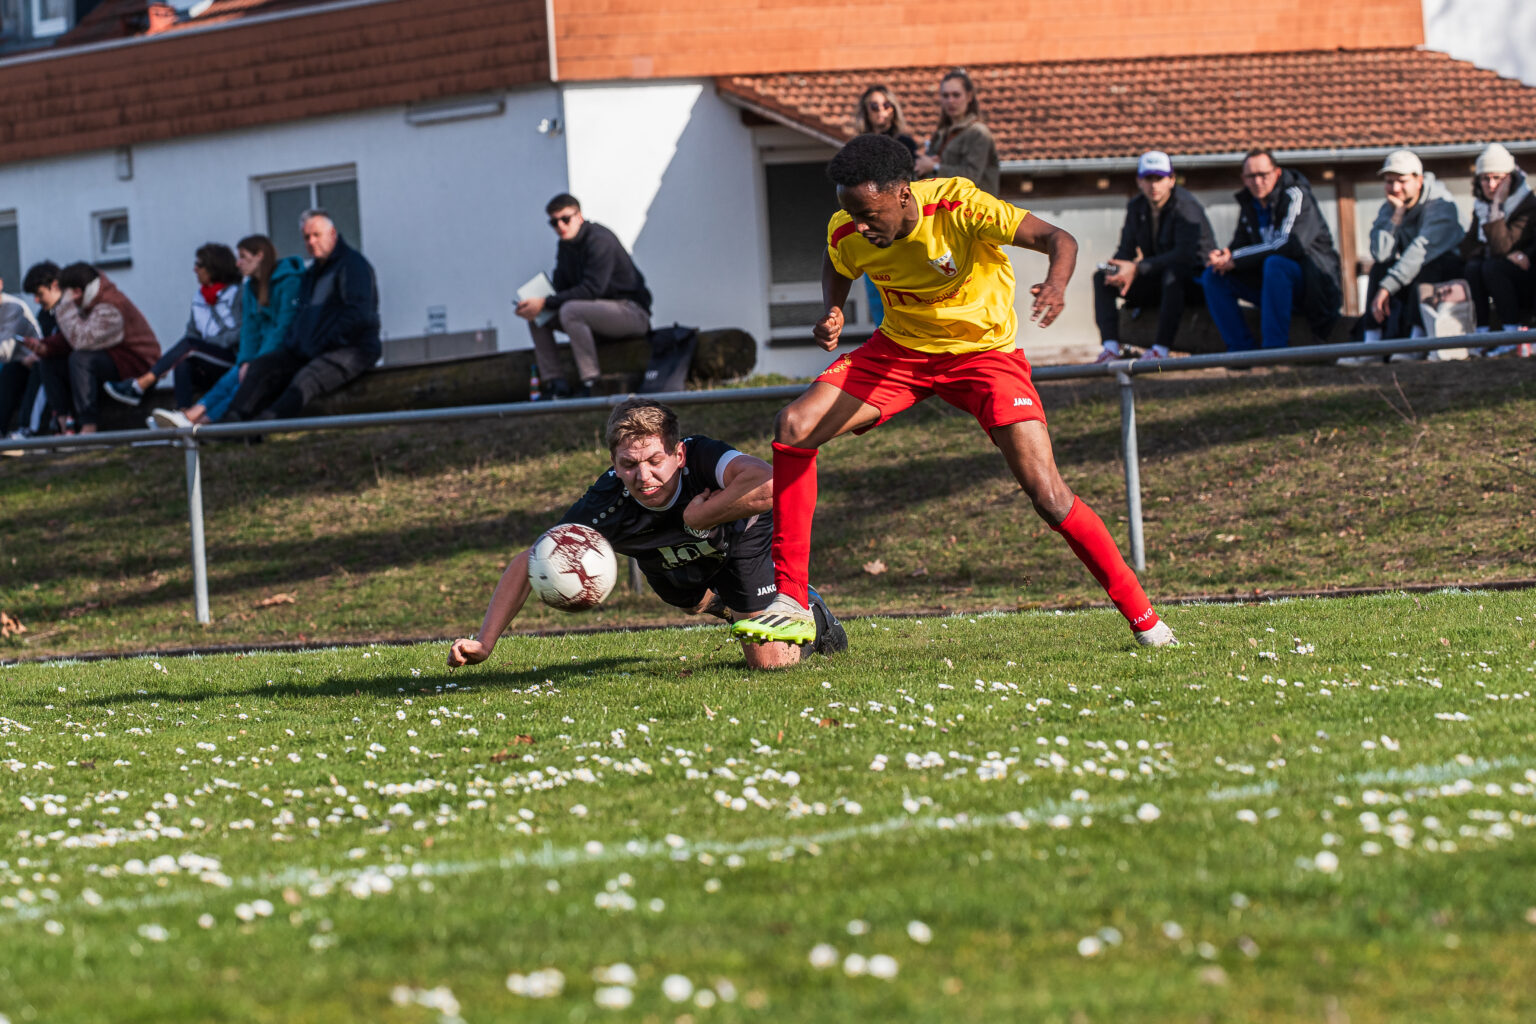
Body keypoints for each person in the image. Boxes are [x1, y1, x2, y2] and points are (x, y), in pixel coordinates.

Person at [730, 134, 1177, 651]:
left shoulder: (959, 205)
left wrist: (1055, 285)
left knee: (1048, 495)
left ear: (903, 193)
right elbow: (838, 259)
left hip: (985, 357)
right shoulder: (847, 227)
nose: (860, 226)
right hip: (900, 352)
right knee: (794, 426)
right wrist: (832, 307)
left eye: (869, 214)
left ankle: (1145, 619)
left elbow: (1060, 239)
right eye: (851, 214)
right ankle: (792, 600)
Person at [448, 398, 847, 673]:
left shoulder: (703, 457)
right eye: (629, 464)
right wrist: (485, 642)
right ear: (613, 462)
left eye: (656, 460)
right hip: (672, 566)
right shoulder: (605, 502)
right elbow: (531, 560)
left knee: (771, 663)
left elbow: (772, 483)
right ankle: (734, 608)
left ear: (678, 454)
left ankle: (810, 608)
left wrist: (700, 516)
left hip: (741, 543)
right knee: (689, 600)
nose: (643, 476)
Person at [220, 210, 380, 421]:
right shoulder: (311, 274)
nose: (311, 242)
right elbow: (300, 313)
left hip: (352, 348)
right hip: (310, 348)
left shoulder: (353, 265)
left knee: (306, 379)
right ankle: (231, 423)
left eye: (317, 235)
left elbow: (357, 315)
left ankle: (266, 424)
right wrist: (296, 342)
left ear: (332, 234)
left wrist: (322, 342)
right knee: (263, 367)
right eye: (306, 237)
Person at [147, 236, 305, 429]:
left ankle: (197, 423)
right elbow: (250, 330)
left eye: (243, 257)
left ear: (259, 256)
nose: (238, 263)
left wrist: (256, 361)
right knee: (230, 378)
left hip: (280, 356)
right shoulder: (250, 288)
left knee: (241, 384)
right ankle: (189, 417)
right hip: (258, 356)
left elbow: (283, 327)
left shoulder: (289, 282)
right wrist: (245, 360)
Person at [1200, 148, 1343, 352]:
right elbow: (1240, 246)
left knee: (1276, 265)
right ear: (1243, 179)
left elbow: (1288, 244)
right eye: (1251, 176)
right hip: (1269, 288)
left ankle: (1274, 352)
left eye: (1263, 175)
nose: (1257, 182)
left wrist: (1235, 258)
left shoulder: (1296, 196)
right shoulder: (1250, 203)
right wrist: (1224, 256)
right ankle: (1240, 351)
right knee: (1213, 276)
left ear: (1276, 173)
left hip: (1312, 288)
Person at [517, 194, 652, 400]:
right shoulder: (565, 247)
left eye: (565, 219)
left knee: (570, 310)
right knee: (537, 315)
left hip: (632, 313)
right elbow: (560, 290)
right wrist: (533, 305)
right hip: (595, 318)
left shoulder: (599, 240)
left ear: (579, 216)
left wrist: (545, 301)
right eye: (554, 222)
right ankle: (556, 384)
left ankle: (591, 382)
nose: (560, 226)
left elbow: (592, 290)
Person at [1340, 149, 1465, 365]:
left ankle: (1417, 343)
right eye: (1389, 182)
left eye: (1402, 181)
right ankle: (1371, 343)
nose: (1395, 188)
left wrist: (1386, 288)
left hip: (1445, 277)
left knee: (1429, 264)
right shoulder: (1391, 207)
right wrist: (1395, 217)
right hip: (1412, 275)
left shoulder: (1440, 204)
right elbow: (1380, 254)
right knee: (1380, 268)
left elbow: (1419, 252)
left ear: (1419, 180)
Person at [1094, 151, 1216, 362]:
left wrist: (1137, 268)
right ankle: (1111, 348)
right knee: (1102, 278)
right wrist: (1118, 269)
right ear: (1139, 181)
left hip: (1194, 283)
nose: (1153, 185)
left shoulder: (1186, 206)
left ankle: (1160, 349)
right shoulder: (1136, 207)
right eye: (1148, 178)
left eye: (1159, 178)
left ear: (1171, 180)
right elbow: (1125, 251)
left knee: (1173, 274)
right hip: (1158, 281)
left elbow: (1184, 257)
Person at [105, 242, 242, 410]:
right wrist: (166, 364)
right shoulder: (200, 298)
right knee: (182, 362)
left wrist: (209, 342)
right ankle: (182, 416)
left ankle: (141, 384)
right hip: (207, 359)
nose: (195, 270)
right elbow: (192, 334)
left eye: (199, 265)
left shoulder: (238, 294)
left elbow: (241, 332)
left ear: (214, 268)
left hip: (233, 358)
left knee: (190, 346)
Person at [30, 262, 159, 434]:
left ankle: (88, 426)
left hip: (137, 369)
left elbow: (81, 341)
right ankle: (61, 423)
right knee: (49, 361)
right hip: (113, 360)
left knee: (80, 359)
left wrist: (65, 305)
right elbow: (73, 338)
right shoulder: (88, 300)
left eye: (66, 294)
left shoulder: (110, 306)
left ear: (77, 292)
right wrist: (45, 347)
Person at [1460, 142, 1536, 356]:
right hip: (1498, 270)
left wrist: (1496, 208)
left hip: (1524, 279)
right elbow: (1468, 247)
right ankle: (1481, 334)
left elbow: (1501, 245)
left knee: (1492, 267)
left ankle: (1511, 335)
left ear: (1510, 178)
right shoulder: (1480, 207)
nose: (1491, 184)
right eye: (1485, 178)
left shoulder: (1527, 205)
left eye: (1497, 178)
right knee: (1474, 267)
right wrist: (1504, 253)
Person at [913, 68, 1000, 196]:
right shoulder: (941, 134)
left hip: (975, 206)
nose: (950, 101)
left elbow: (971, 176)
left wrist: (934, 167)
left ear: (969, 97)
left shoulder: (979, 133)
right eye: (945, 96)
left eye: (956, 95)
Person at [0, 270, 44, 436]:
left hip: (30, 363)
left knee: (8, 371)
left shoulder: (14, 308)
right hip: (15, 364)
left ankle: (19, 430)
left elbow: (5, 352)